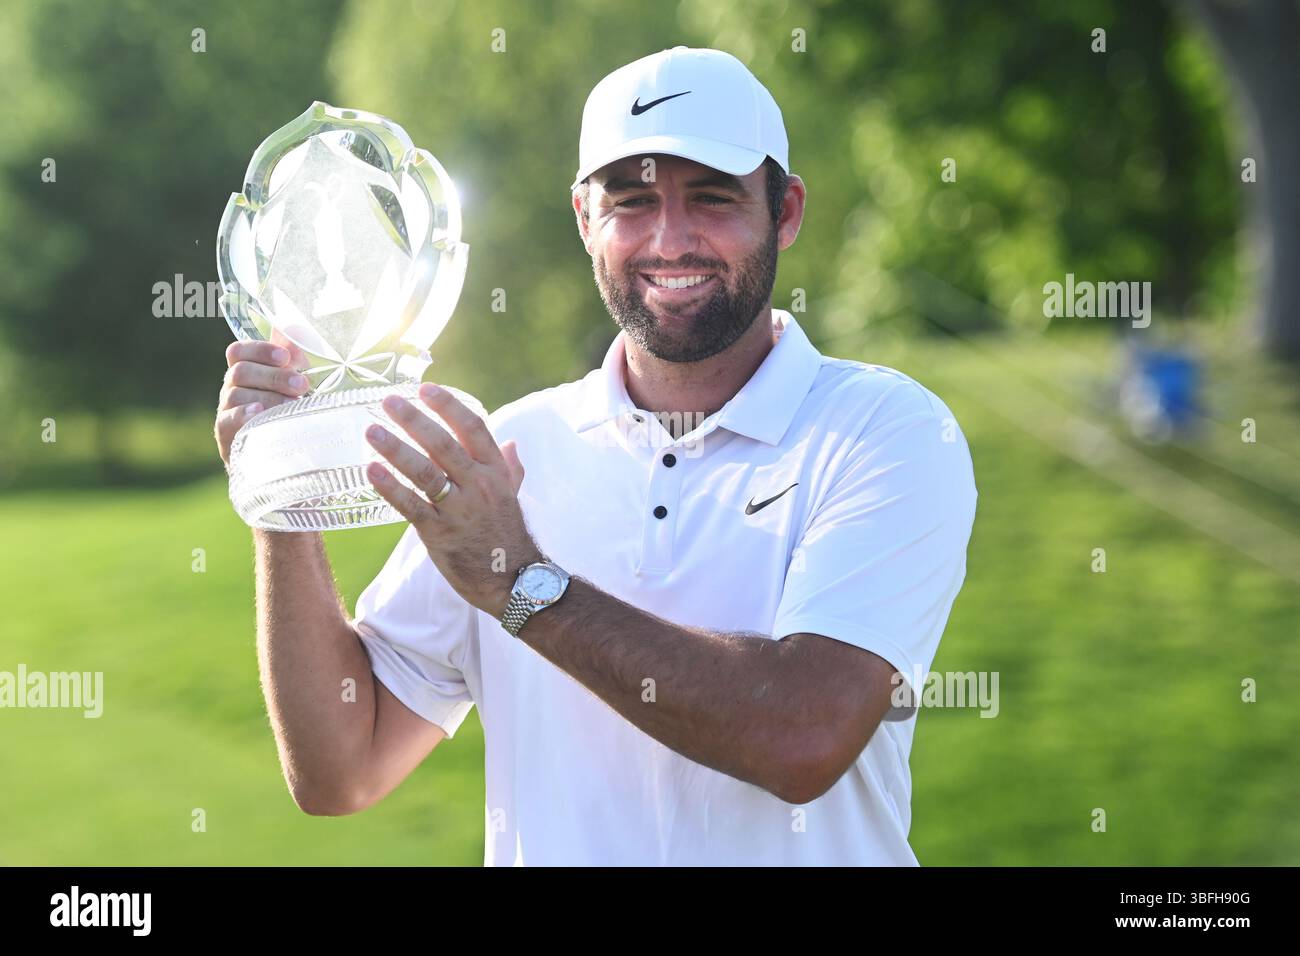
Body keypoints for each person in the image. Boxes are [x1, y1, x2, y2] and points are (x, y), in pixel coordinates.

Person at [213, 46, 978, 866]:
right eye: (632, 200)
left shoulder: (884, 431)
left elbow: (801, 735)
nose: (670, 241)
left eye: (712, 197)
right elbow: (340, 770)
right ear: (585, 219)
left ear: (784, 210)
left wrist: (519, 583)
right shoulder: (511, 449)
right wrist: (279, 491)